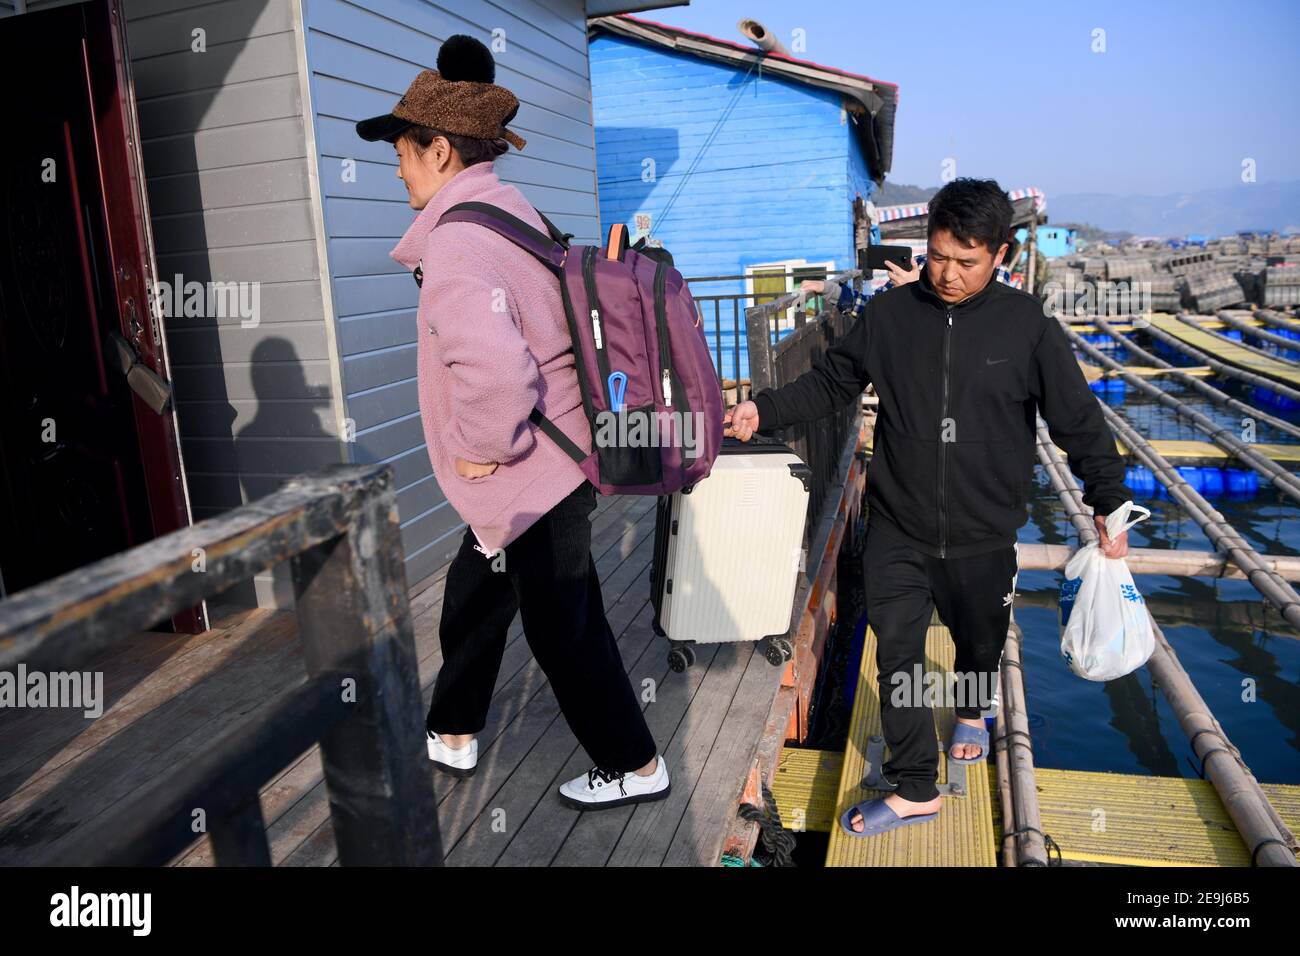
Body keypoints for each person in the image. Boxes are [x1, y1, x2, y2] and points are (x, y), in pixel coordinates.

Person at [725, 178, 1131, 837]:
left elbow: (1078, 422)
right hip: (898, 524)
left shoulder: (1027, 328)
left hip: (985, 529)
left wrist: (1108, 501)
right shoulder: (888, 318)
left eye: (966, 262)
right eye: (938, 255)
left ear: (1000, 254)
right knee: (899, 655)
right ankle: (917, 786)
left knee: (978, 644)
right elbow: (832, 383)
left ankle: (972, 709)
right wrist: (761, 409)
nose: (947, 273)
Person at [356, 35, 669, 810]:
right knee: (476, 591)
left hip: (531, 466)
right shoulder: (505, 207)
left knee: (564, 627)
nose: (396, 167)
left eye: (402, 150)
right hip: (556, 450)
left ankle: (634, 765)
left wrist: (480, 452)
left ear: (438, 150)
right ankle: (454, 730)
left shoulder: (459, 240)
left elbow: (495, 374)